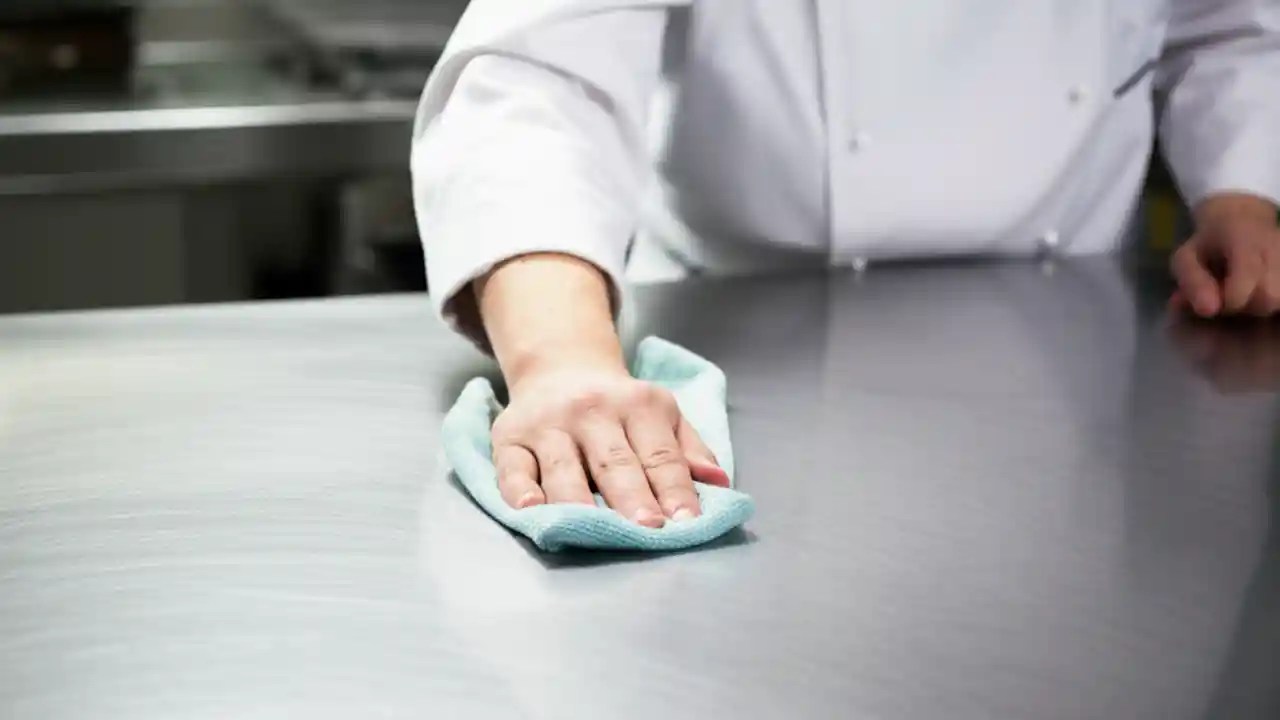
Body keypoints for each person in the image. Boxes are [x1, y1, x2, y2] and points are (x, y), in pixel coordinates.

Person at [411, 1, 1280, 526]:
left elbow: (1231, 25)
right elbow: (540, 80)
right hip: (746, 342)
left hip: (1084, 377)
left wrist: (1244, 188)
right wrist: (562, 361)